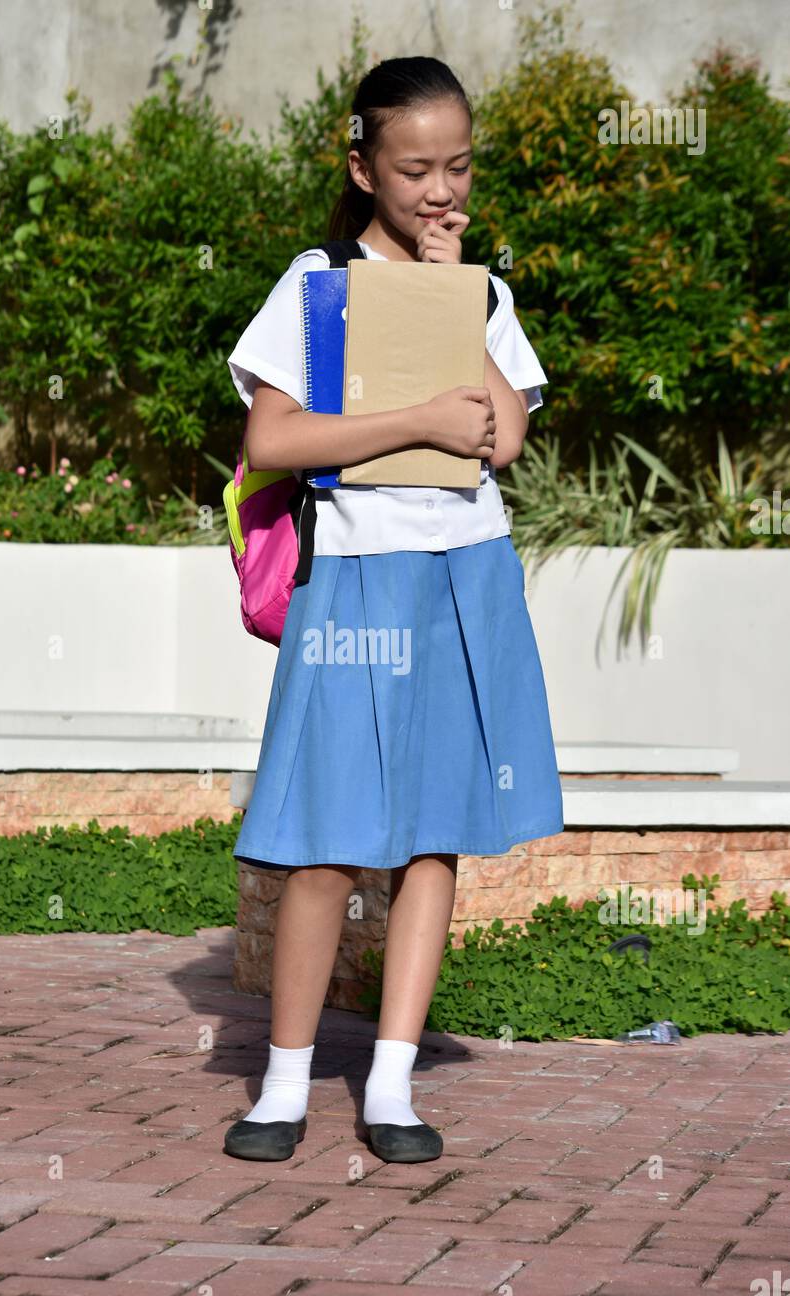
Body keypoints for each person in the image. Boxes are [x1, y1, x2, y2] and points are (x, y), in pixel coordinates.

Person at [223, 55, 564, 1164]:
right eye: (414, 167)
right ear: (360, 162)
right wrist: (410, 416)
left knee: (430, 843)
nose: (437, 189)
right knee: (323, 844)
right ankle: (280, 1089)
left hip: (462, 573)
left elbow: (503, 438)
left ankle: (392, 1086)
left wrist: (449, 295)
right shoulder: (319, 283)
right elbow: (270, 442)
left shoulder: (485, 293)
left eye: (456, 166)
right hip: (355, 579)